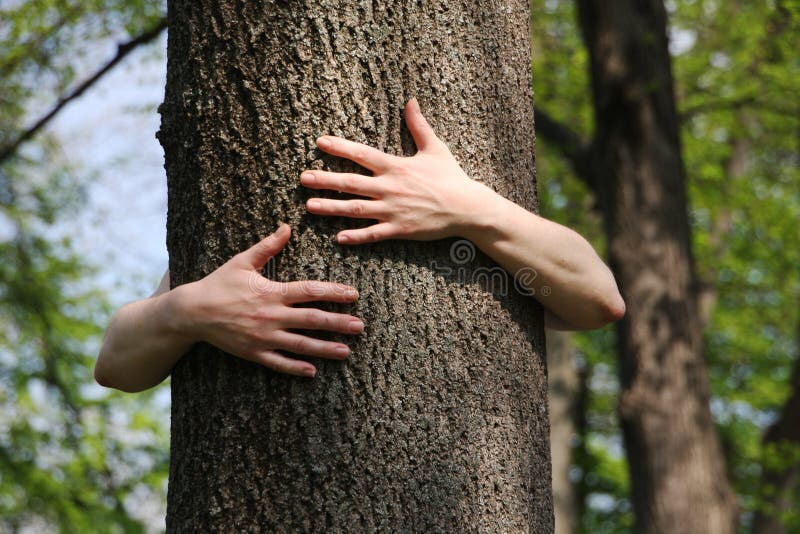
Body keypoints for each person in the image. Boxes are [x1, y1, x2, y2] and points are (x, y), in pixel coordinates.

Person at [95, 98, 625, 392]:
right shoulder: (226, 229)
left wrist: (468, 207)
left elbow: (596, 297)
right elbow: (116, 366)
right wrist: (184, 310)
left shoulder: (492, 232)